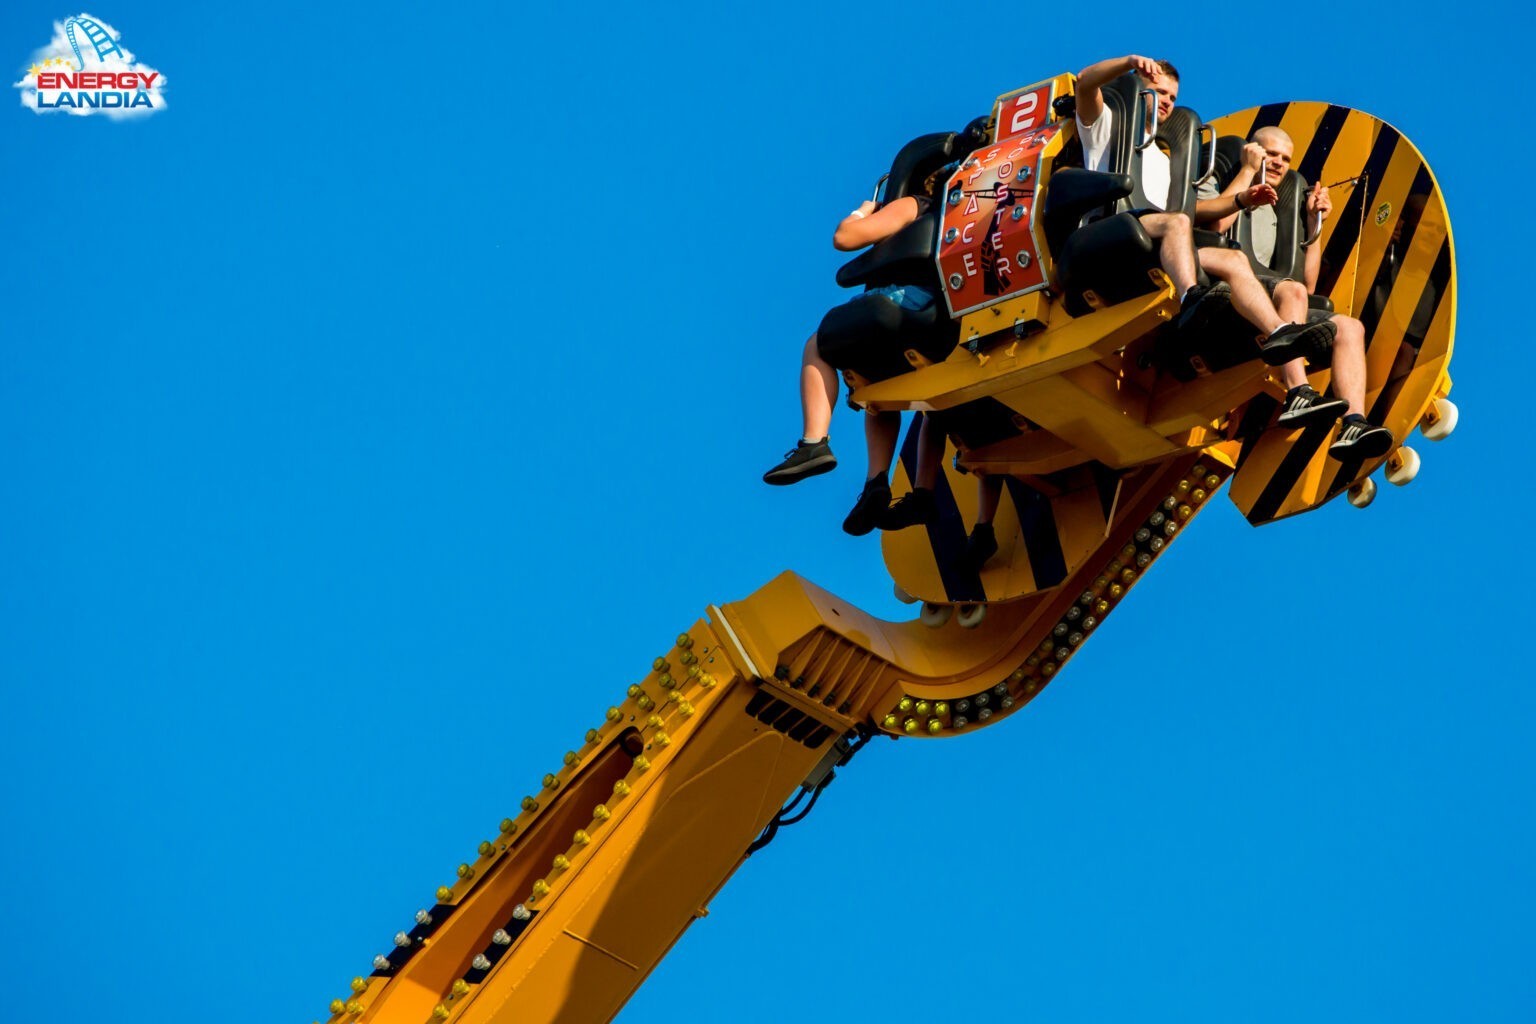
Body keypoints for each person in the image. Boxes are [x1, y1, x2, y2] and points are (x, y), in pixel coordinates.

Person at [1074, 55, 1336, 359]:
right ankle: (1190, 298)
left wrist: (1242, 200)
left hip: (1161, 245)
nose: (1167, 102)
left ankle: (1278, 331)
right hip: (1115, 233)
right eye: (1160, 92)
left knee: (1233, 258)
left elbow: (1197, 211)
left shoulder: (1165, 160)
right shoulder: (1105, 125)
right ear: (1137, 90)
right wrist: (1128, 61)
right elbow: (1085, 83)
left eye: (1172, 97)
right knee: (1177, 222)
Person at [761, 182, 950, 535]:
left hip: (906, 300)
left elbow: (845, 238)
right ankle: (879, 484)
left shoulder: (914, 205)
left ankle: (814, 443)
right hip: (937, 313)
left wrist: (863, 211)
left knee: (817, 343)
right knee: (880, 388)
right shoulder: (954, 214)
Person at [1195, 126, 1394, 458]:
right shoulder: (1222, 177)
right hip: (1221, 285)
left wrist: (1315, 222)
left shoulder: (1278, 209)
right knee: (1292, 293)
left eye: (1285, 159)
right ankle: (1298, 391)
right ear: (1251, 150)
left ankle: (1353, 424)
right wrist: (1247, 172)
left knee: (1350, 327)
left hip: (1269, 291)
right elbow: (1214, 226)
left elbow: (1308, 284)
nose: (1278, 163)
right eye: (1271, 154)